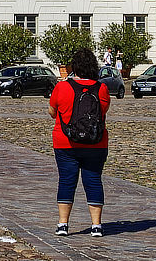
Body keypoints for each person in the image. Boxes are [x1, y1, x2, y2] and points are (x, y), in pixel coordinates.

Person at [48, 47, 110, 237]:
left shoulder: (62, 87)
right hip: (96, 143)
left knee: (67, 181)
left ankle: (63, 224)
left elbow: (52, 112)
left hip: (66, 142)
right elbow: (103, 112)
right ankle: (96, 226)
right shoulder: (102, 88)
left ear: (74, 67)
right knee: (93, 181)